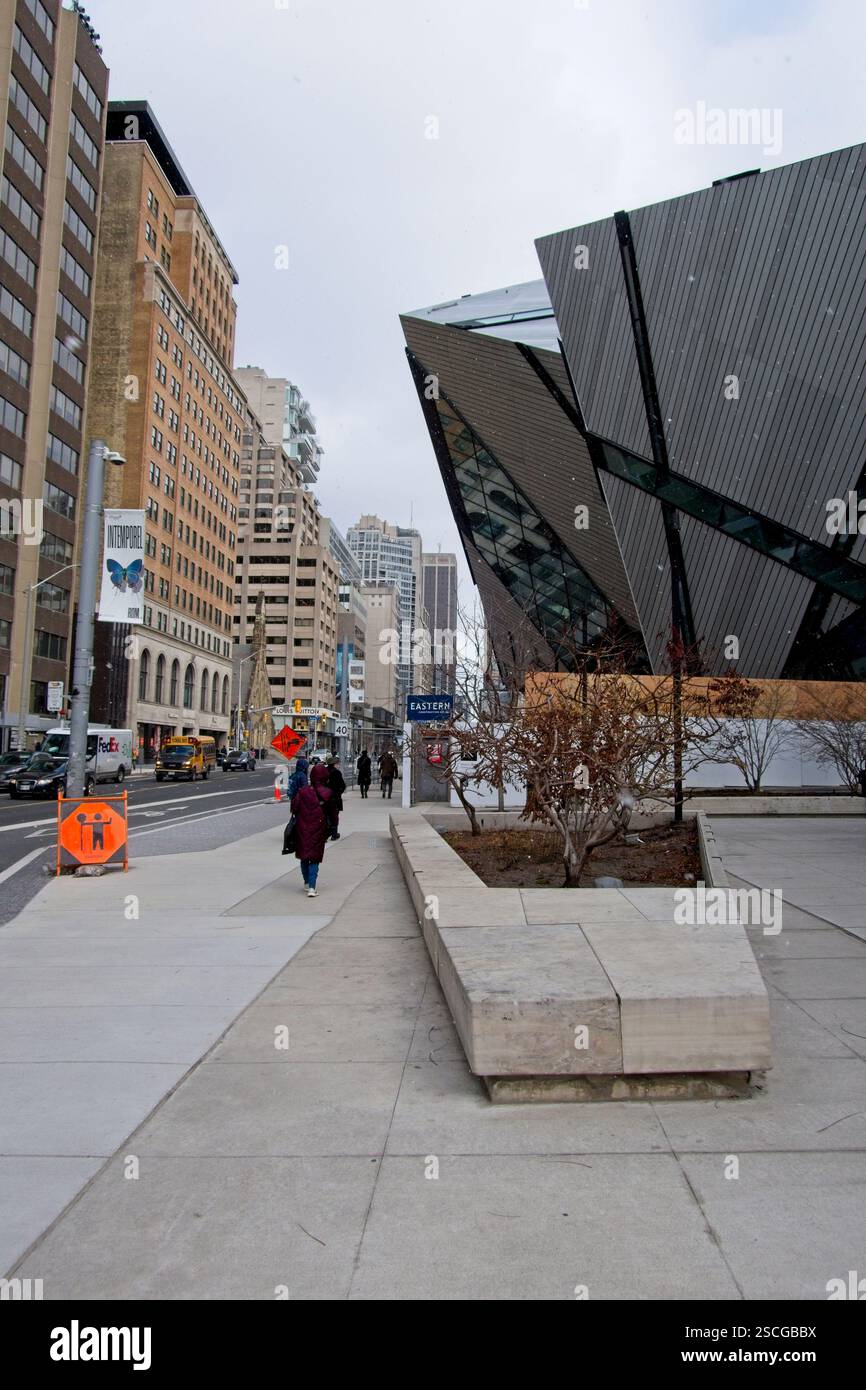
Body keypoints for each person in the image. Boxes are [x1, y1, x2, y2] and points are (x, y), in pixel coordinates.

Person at [291, 763, 335, 898]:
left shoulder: (303, 791)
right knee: (314, 858)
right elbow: (333, 813)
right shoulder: (328, 793)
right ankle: (312, 887)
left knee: (304, 855)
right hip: (319, 828)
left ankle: (306, 882)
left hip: (302, 827)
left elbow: (294, 808)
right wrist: (333, 828)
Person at [326, 755, 346, 839]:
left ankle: (325, 834)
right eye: (337, 763)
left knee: (325, 815)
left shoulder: (324, 771)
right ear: (334, 764)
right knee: (334, 815)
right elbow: (342, 785)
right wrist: (338, 793)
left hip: (324, 797)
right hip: (334, 798)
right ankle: (334, 834)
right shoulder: (336, 773)